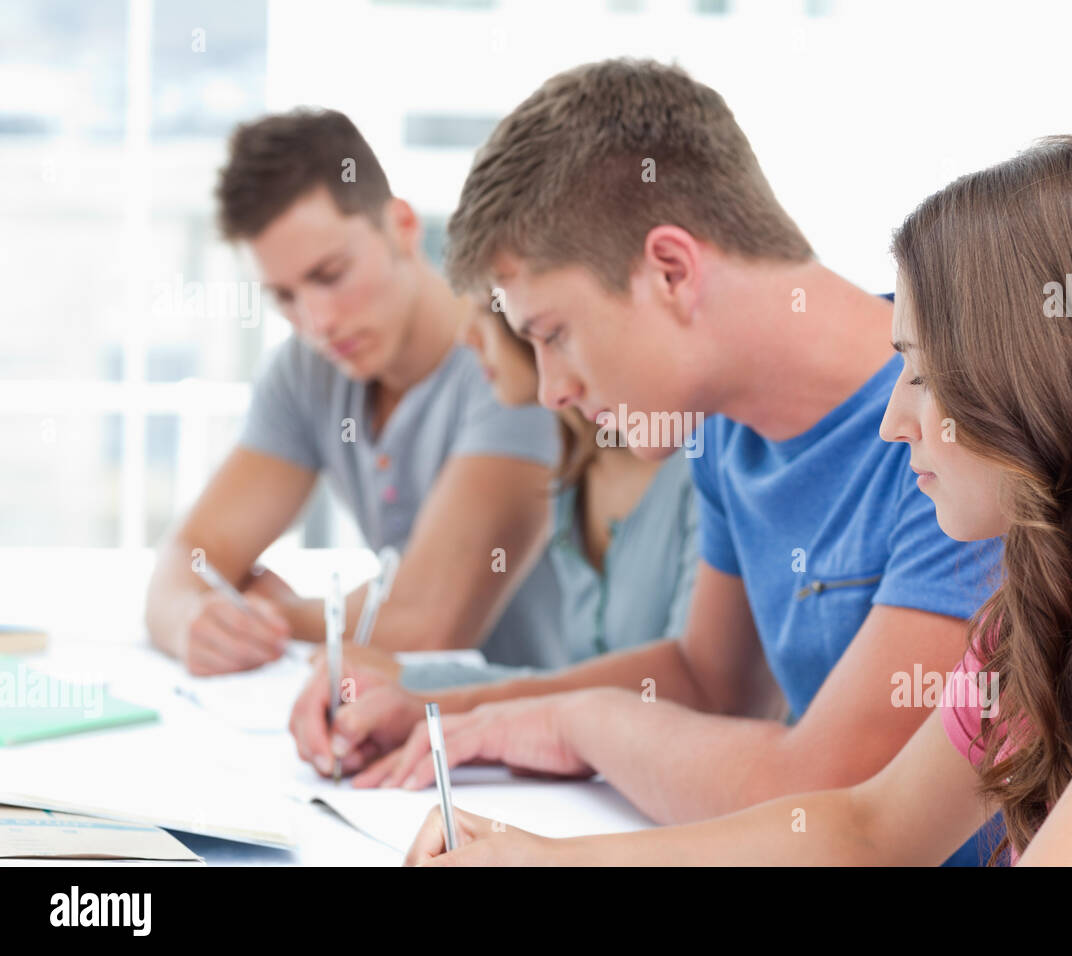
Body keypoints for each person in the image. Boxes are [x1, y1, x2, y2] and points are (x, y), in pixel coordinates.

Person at [404, 134, 1072, 866]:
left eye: (923, 372)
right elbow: (867, 831)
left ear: (1043, 383)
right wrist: (549, 861)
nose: (894, 422)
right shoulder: (1033, 620)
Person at [291, 60, 1004, 865]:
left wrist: (571, 722)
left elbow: (831, 793)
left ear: (671, 270)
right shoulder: (725, 432)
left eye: (553, 333)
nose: (551, 389)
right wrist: (444, 707)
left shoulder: (962, 437)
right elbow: (703, 679)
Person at [145, 108, 559, 678]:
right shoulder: (306, 373)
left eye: (330, 274)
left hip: (541, 736)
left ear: (403, 227)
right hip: (405, 727)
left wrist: (276, 611)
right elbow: (189, 557)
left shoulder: (510, 365)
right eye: (284, 297)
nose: (317, 322)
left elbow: (425, 627)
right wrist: (193, 620)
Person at [349, 293, 699, 707]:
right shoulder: (573, 474)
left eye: (487, 310)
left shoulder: (698, 463)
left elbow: (690, 694)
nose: (465, 338)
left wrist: (423, 685)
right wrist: (407, 680)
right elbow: (581, 688)